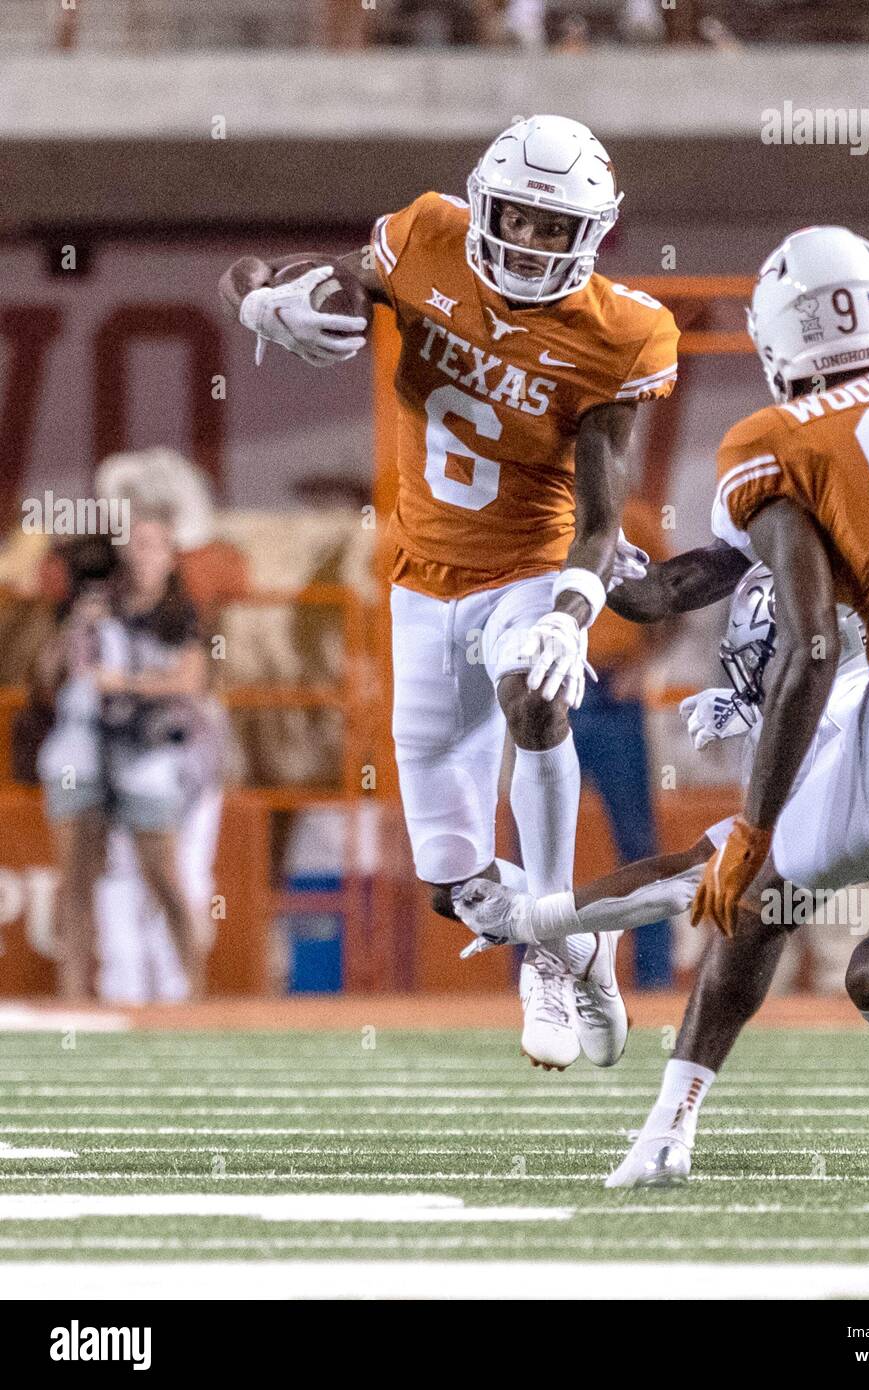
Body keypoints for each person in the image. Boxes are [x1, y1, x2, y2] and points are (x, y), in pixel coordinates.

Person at [456, 255, 869, 1181]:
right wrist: (610, 572)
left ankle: (662, 1101)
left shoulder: (810, 441)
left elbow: (802, 665)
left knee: (784, 869)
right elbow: (705, 584)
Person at [218, 115, 679, 1070]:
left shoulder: (621, 333)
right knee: (453, 885)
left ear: (591, 236)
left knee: (535, 695)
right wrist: (271, 301)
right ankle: (577, 934)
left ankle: (552, 947)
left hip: (530, 566)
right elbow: (296, 272)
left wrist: (570, 612)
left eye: (557, 227)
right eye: (518, 216)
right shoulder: (426, 233)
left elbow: (602, 520)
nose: (532, 241)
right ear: (482, 203)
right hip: (422, 587)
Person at [36, 508, 212, 999]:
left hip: (145, 750)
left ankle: (195, 992)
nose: (142, 553)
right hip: (86, 745)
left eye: (154, 543)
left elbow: (191, 679)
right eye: (134, 543)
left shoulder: (179, 611)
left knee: (162, 872)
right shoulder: (93, 604)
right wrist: (76, 626)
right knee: (76, 875)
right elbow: (47, 677)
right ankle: (73, 995)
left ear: (172, 555)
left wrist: (127, 684)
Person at [571, 498, 678, 986]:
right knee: (537, 841)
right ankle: (540, 974)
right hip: (556, 687)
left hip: (612, 687)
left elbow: (672, 593)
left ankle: (653, 978)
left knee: (637, 841)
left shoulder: (632, 518)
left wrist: (643, 664)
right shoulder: (539, 514)